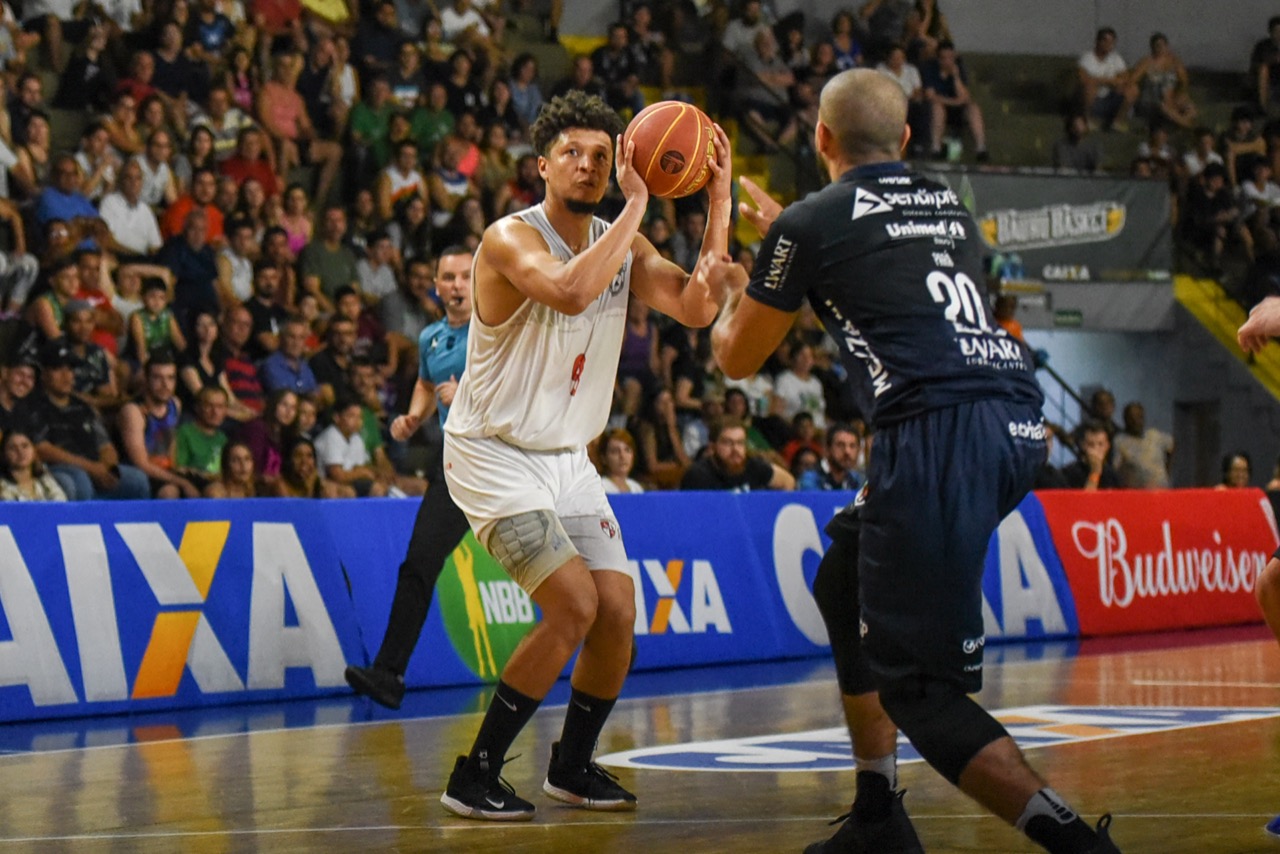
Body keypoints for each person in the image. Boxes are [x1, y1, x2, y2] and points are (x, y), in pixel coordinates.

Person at [704, 68, 1120, 853]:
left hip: (936, 438)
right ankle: (878, 815)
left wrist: (736, 285)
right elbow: (874, 263)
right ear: (902, 140)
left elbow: (735, 356)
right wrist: (788, 241)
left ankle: (1080, 847)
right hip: (1016, 421)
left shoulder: (810, 222)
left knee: (920, 691)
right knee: (844, 579)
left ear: (819, 138)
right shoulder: (946, 206)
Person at [438, 90, 733, 821]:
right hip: (493, 453)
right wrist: (637, 205)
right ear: (542, 165)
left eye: (604, 155)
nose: (589, 164)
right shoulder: (511, 238)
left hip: (568, 459)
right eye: (573, 152)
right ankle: (472, 773)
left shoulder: (625, 242)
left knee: (618, 613)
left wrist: (717, 200)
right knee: (571, 605)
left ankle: (571, 767)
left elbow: (698, 307)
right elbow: (570, 291)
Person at [345, 246, 477, 709]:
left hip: (505, 463)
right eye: (449, 277)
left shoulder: (498, 330)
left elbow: (520, 384)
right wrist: (415, 416)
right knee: (419, 562)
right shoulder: (431, 338)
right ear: (436, 287)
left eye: (466, 275)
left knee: (552, 568)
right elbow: (426, 381)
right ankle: (389, 673)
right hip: (455, 463)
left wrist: (468, 395)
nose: (458, 285)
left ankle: (612, 635)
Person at [31, 339, 150, 501]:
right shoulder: (33, 405)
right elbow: (43, 449)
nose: (66, 375)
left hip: (94, 468)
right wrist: (91, 468)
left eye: (70, 369)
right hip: (59, 469)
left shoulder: (84, 407)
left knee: (137, 480)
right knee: (80, 481)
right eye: (58, 369)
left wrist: (107, 468)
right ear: (44, 374)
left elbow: (105, 445)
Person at [119, 351, 203, 498]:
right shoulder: (134, 411)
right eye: (158, 378)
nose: (165, 385)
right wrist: (182, 482)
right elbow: (141, 463)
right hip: (141, 474)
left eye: (170, 378)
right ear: (146, 379)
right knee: (170, 491)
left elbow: (171, 443)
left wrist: (181, 469)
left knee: (213, 488)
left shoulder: (175, 404)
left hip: (166, 470)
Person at [679, 418, 794, 491]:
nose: (735, 449)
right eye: (727, 443)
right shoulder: (698, 475)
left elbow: (788, 481)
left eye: (740, 443)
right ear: (712, 447)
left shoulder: (753, 465)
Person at [1110, 401, 1173, 489]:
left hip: (1161, 490)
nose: (1136, 421)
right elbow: (1116, 469)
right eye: (1132, 418)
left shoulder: (1154, 435)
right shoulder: (1120, 441)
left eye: (1139, 417)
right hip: (1137, 492)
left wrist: (1166, 471)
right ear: (1125, 419)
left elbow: (1171, 446)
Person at [0, 429, 68, 501]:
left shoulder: (44, 480)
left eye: (25, 446)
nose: (20, 452)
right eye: (12, 448)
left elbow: (61, 505)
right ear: (4, 454)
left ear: (34, 450)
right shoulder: (2, 487)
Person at [798, 422, 863, 491]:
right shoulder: (810, 479)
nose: (847, 451)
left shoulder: (857, 479)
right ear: (827, 449)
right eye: (840, 445)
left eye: (852, 446)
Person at [1061, 420, 1121, 491]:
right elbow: (1083, 501)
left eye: (1100, 444)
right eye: (1091, 445)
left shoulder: (1113, 476)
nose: (1096, 449)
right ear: (1082, 445)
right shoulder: (1068, 473)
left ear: (1107, 446)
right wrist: (1095, 471)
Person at [598, 427, 643, 494]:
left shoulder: (636, 487)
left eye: (627, 450)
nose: (622, 456)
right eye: (615, 451)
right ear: (604, 458)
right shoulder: (601, 487)